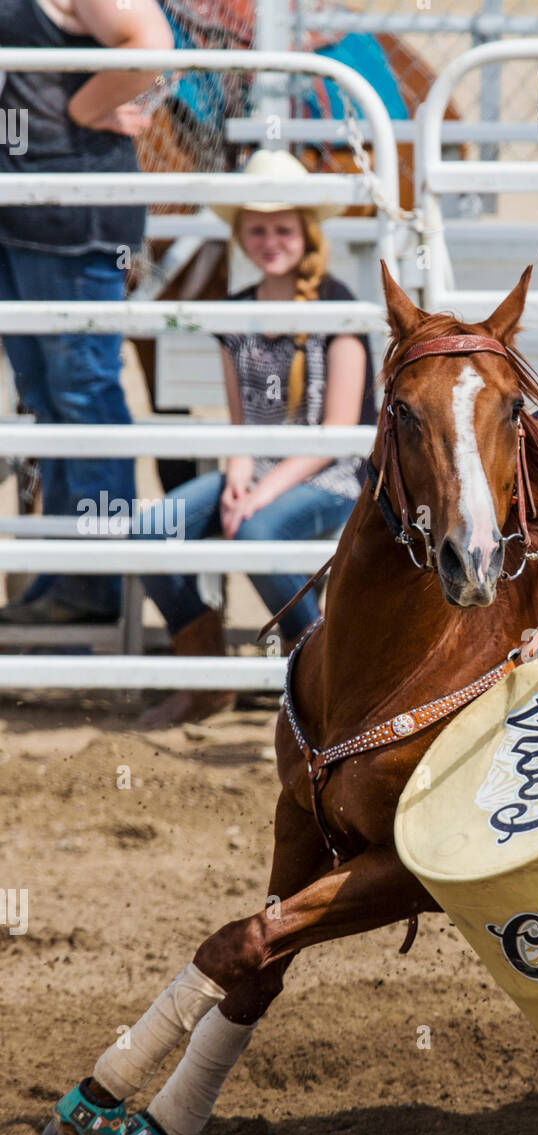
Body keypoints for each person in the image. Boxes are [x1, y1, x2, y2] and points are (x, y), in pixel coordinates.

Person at [134, 148, 373, 729]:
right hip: (260, 469)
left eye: (283, 228)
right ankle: (207, 673)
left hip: (330, 474)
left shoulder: (336, 308)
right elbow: (240, 417)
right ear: (242, 237)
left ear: (305, 233)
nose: (271, 240)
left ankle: (317, 670)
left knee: (260, 532)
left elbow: (339, 432)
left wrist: (262, 494)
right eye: (258, 229)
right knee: (149, 529)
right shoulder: (235, 312)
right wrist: (239, 470)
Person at [0, 0, 173, 624]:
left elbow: (150, 44)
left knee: (84, 393)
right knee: (48, 397)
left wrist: (82, 109)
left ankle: (96, 577)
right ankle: (67, 569)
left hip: (71, 216)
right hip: (23, 213)